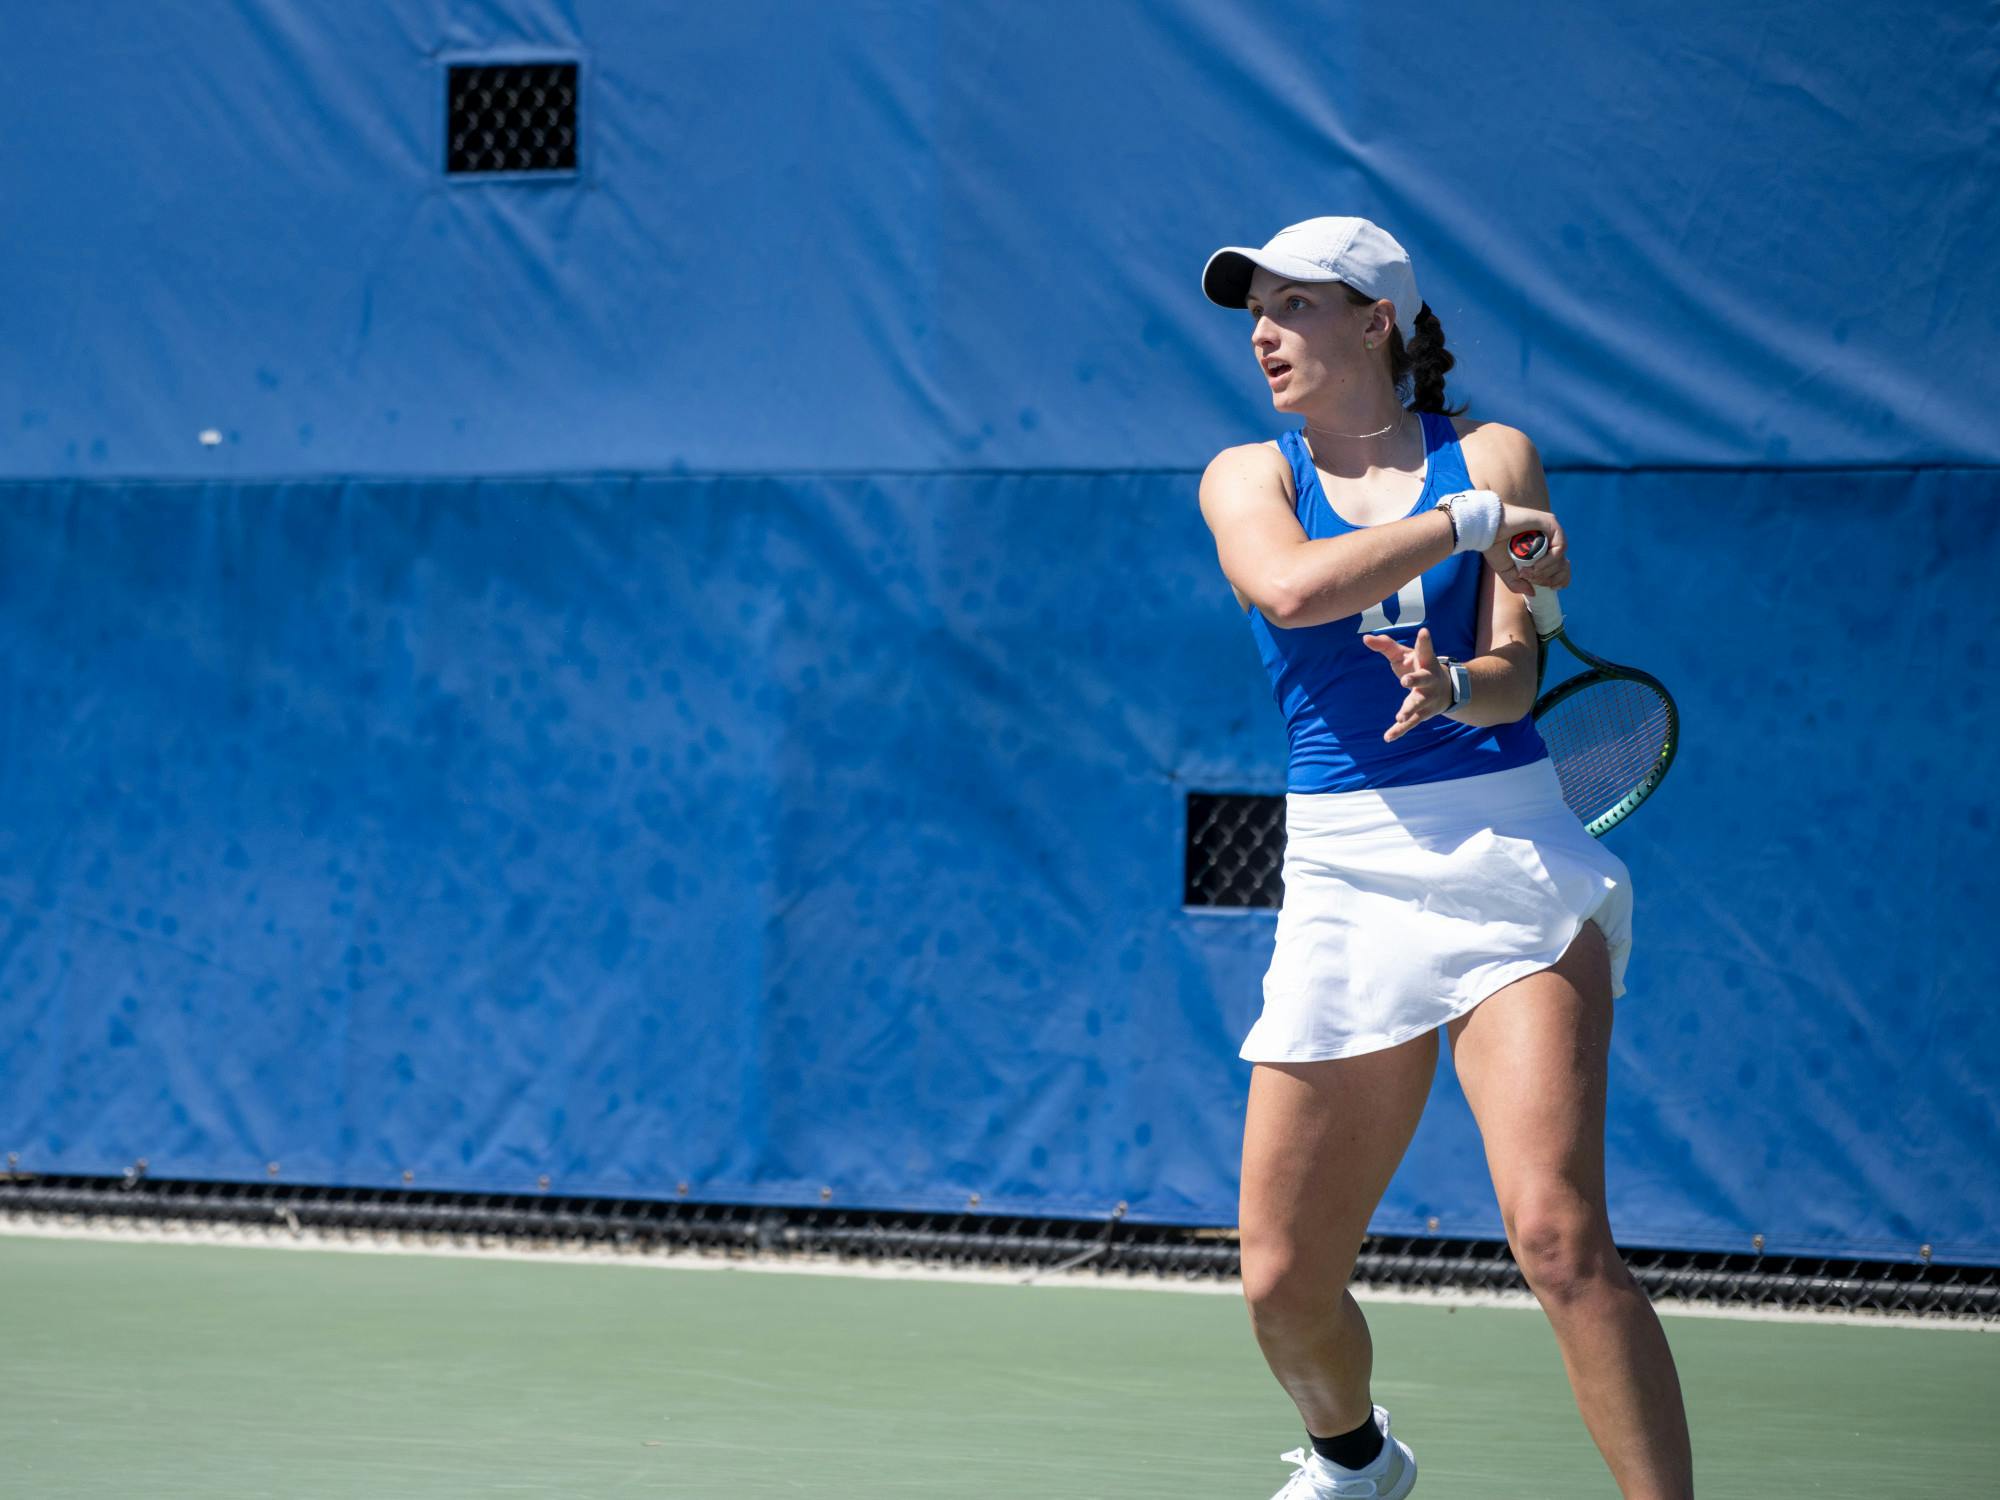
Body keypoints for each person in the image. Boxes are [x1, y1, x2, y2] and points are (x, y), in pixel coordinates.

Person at [1196, 218, 1695, 1500]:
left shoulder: (1486, 451)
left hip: (1503, 849)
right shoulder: (1243, 476)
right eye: (1254, 309)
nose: (1262, 330)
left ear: (1374, 321)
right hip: (1342, 871)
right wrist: (1465, 526)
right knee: (1279, 1280)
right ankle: (1355, 1459)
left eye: (1293, 305)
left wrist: (1450, 683)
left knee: (1553, 1228)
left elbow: (1517, 672)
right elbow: (1293, 590)